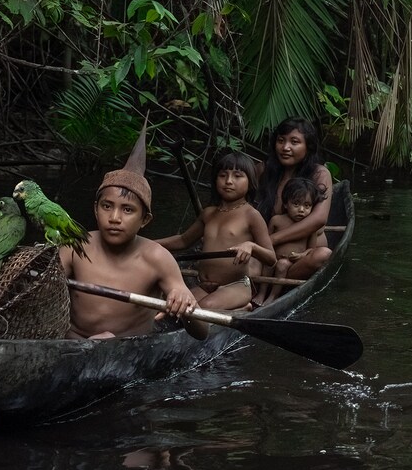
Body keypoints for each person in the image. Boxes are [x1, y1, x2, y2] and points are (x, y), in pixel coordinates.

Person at [60, 125, 208, 341]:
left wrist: (185, 301)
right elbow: (44, 296)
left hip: (125, 348)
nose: (114, 217)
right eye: (107, 206)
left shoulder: (157, 258)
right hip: (71, 342)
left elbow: (201, 333)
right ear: (95, 209)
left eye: (127, 210)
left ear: (145, 219)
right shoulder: (75, 246)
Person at [155, 148, 276, 311]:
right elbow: (183, 240)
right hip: (204, 285)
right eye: (223, 175)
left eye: (238, 176)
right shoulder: (209, 213)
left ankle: (242, 308)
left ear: (250, 182)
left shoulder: (251, 215)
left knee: (199, 311)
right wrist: (147, 243)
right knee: (175, 308)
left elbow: (271, 258)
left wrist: (251, 246)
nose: (229, 181)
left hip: (236, 287)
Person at [254, 117, 334, 280]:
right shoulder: (263, 170)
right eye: (281, 140)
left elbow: (318, 219)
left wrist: (271, 240)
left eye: (294, 142)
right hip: (268, 256)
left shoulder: (319, 174)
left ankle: (276, 279)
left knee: (322, 255)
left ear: (308, 147)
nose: (285, 147)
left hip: (300, 259)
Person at [255, 177, 333, 304]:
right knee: (269, 262)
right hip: (274, 258)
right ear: (286, 204)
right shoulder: (276, 220)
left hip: (292, 263)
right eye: (296, 204)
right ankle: (261, 293)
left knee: (282, 265)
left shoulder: (309, 227)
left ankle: (273, 296)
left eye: (307, 206)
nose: (301, 210)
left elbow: (311, 249)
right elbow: (267, 243)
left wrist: (301, 255)